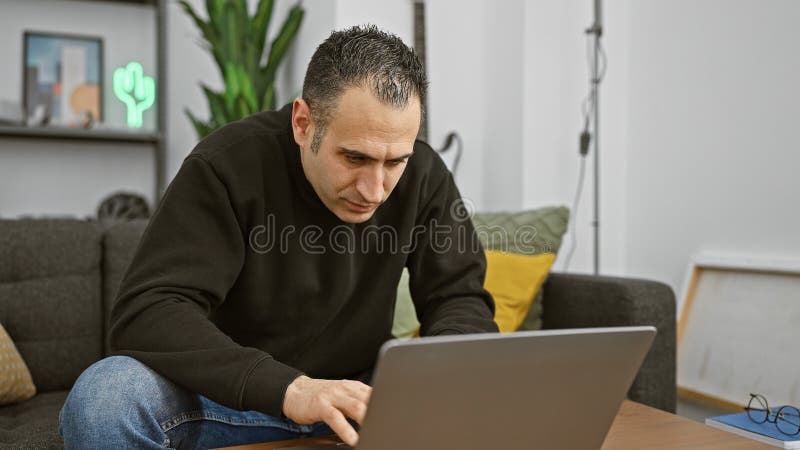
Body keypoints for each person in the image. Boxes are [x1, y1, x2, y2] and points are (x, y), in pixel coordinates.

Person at [59, 25, 498, 450]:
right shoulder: (225, 166)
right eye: (354, 157)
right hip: (236, 402)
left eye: (394, 161)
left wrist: (440, 381)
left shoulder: (423, 172)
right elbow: (147, 311)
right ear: (304, 123)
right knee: (106, 399)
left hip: (360, 400)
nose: (375, 189)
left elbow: (458, 297)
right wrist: (290, 389)